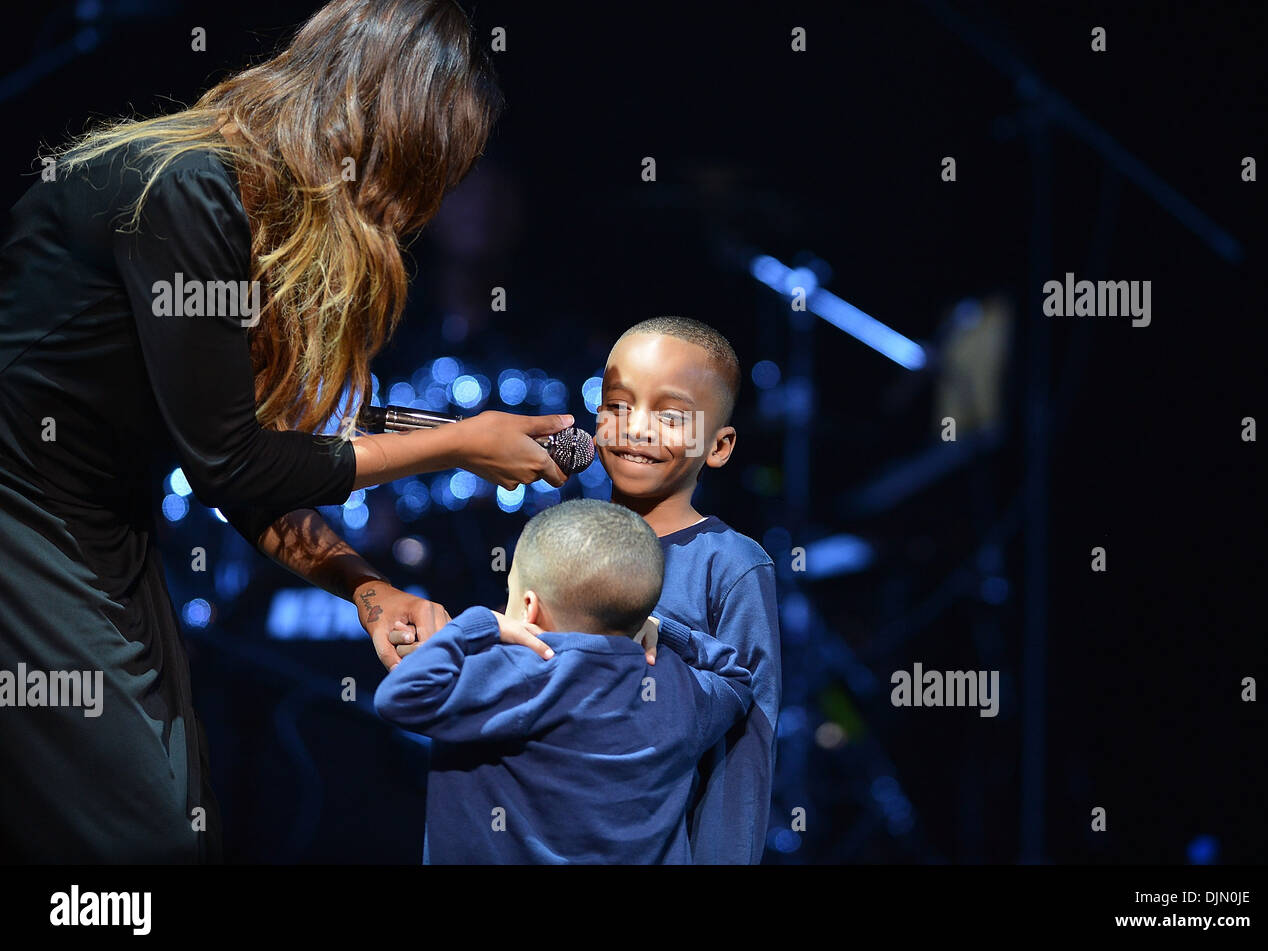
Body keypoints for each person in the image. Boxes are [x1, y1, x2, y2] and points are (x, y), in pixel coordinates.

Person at [0, 0, 566, 863]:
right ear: (381, 126)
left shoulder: (242, 213)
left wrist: (367, 589)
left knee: (178, 822)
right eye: (429, 164)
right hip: (23, 524)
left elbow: (244, 472)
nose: (428, 201)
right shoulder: (181, 186)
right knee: (142, 847)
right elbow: (233, 457)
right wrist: (458, 441)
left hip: (103, 535)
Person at [374, 499, 752, 863]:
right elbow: (736, 679)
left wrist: (477, 624)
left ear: (528, 607)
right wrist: (661, 628)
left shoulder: (518, 671)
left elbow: (400, 696)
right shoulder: (678, 686)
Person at [596, 316, 782, 864]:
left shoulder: (732, 565)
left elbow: (748, 745)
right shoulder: (557, 541)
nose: (638, 428)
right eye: (619, 405)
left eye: (671, 415)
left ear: (719, 446)